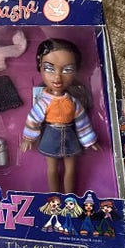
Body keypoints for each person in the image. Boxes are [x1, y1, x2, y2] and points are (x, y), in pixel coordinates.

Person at [20, 38, 99, 194]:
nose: (57, 77)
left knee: (71, 168)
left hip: (70, 137)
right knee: (52, 169)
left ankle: (70, 197)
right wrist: (28, 138)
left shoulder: (73, 102)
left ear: (76, 71)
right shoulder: (43, 102)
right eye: (49, 68)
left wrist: (89, 140)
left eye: (67, 70)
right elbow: (33, 120)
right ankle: (54, 197)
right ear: (39, 67)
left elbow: (82, 122)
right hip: (50, 136)